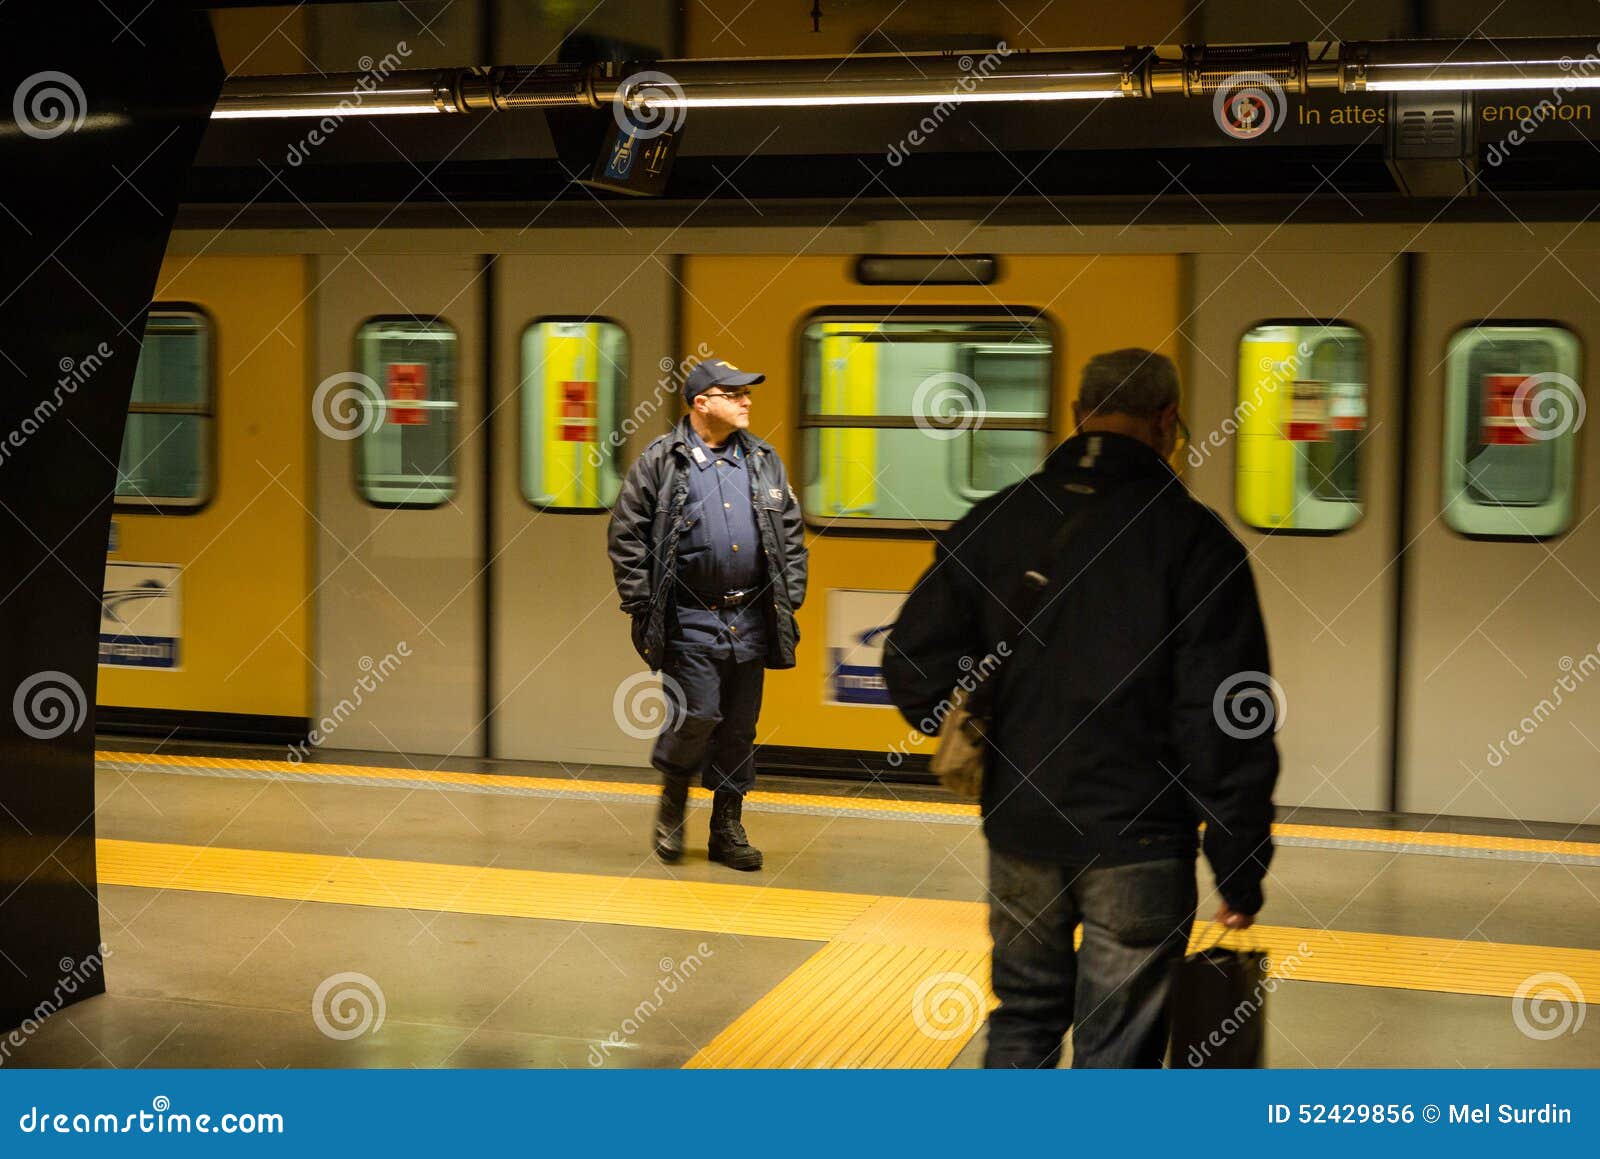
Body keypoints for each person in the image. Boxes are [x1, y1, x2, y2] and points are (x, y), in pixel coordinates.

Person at [883, 348, 1279, 1068]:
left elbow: (912, 663)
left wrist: (977, 722)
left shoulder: (997, 521)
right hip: (1141, 837)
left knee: (1025, 1015)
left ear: (1076, 416)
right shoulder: (1195, 540)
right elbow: (1228, 715)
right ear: (1168, 423)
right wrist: (1239, 863)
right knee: (1117, 1041)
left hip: (1021, 826)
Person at [607, 354, 808, 871]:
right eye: (733, 394)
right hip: (689, 616)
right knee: (697, 714)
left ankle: (726, 826)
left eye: (747, 394)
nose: (746, 402)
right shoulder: (660, 461)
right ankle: (672, 805)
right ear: (701, 403)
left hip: (752, 618)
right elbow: (626, 536)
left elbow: (790, 532)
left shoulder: (763, 460)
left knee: (739, 727)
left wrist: (791, 594)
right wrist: (641, 602)